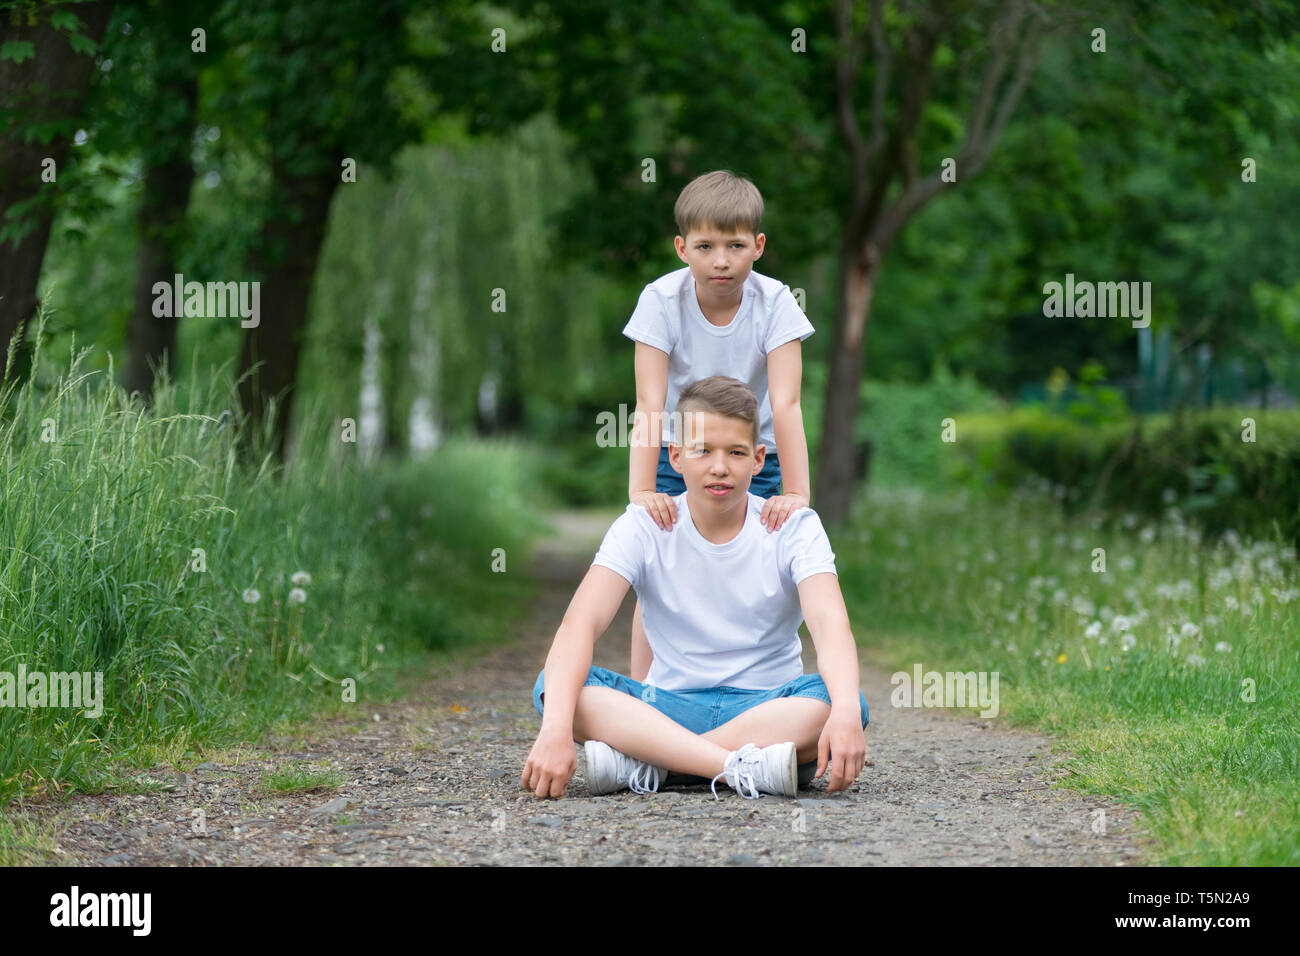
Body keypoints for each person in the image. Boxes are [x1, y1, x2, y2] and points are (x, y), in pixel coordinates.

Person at [522, 376, 868, 800]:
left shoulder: (794, 527)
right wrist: (554, 730)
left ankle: (656, 763)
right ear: (676, 455)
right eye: (702, 449)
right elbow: (579, 624)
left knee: (842, 701)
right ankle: (740, 768)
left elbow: (830, 625)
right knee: (555, 689)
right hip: (668, 705)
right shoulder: (643, 525)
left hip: (768, 706)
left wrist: (847, 712)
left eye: (736, 452)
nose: (719, 466)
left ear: (759, 459)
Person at [624, 169, 816, 684]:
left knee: (764, 569)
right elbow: (647, 401)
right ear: (682, 248)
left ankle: (762, 689)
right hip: (677, 455)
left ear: (758, 245)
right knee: (657, 574)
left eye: (735, 245)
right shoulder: (661, 301)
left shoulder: (776, 303)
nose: (722, 260)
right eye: (706, 246)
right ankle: (647, 699)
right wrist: (642, 489)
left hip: (759, 456)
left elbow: (787, 401)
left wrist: (797, 491)